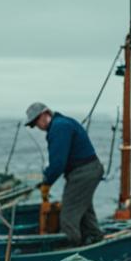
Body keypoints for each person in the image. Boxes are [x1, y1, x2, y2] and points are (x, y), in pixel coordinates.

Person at [25, 102, 104, 246]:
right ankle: (94, 238)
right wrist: (46, 178)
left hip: (83, 173)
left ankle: (70, 250)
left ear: (45, 114)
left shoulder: (59, 128)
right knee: (84, 209)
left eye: (36, 121)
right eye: (33, 124)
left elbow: (58, 164)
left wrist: (46, 182)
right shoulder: (63, 123)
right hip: (90, 170)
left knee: (68, 216)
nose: (37, 126)